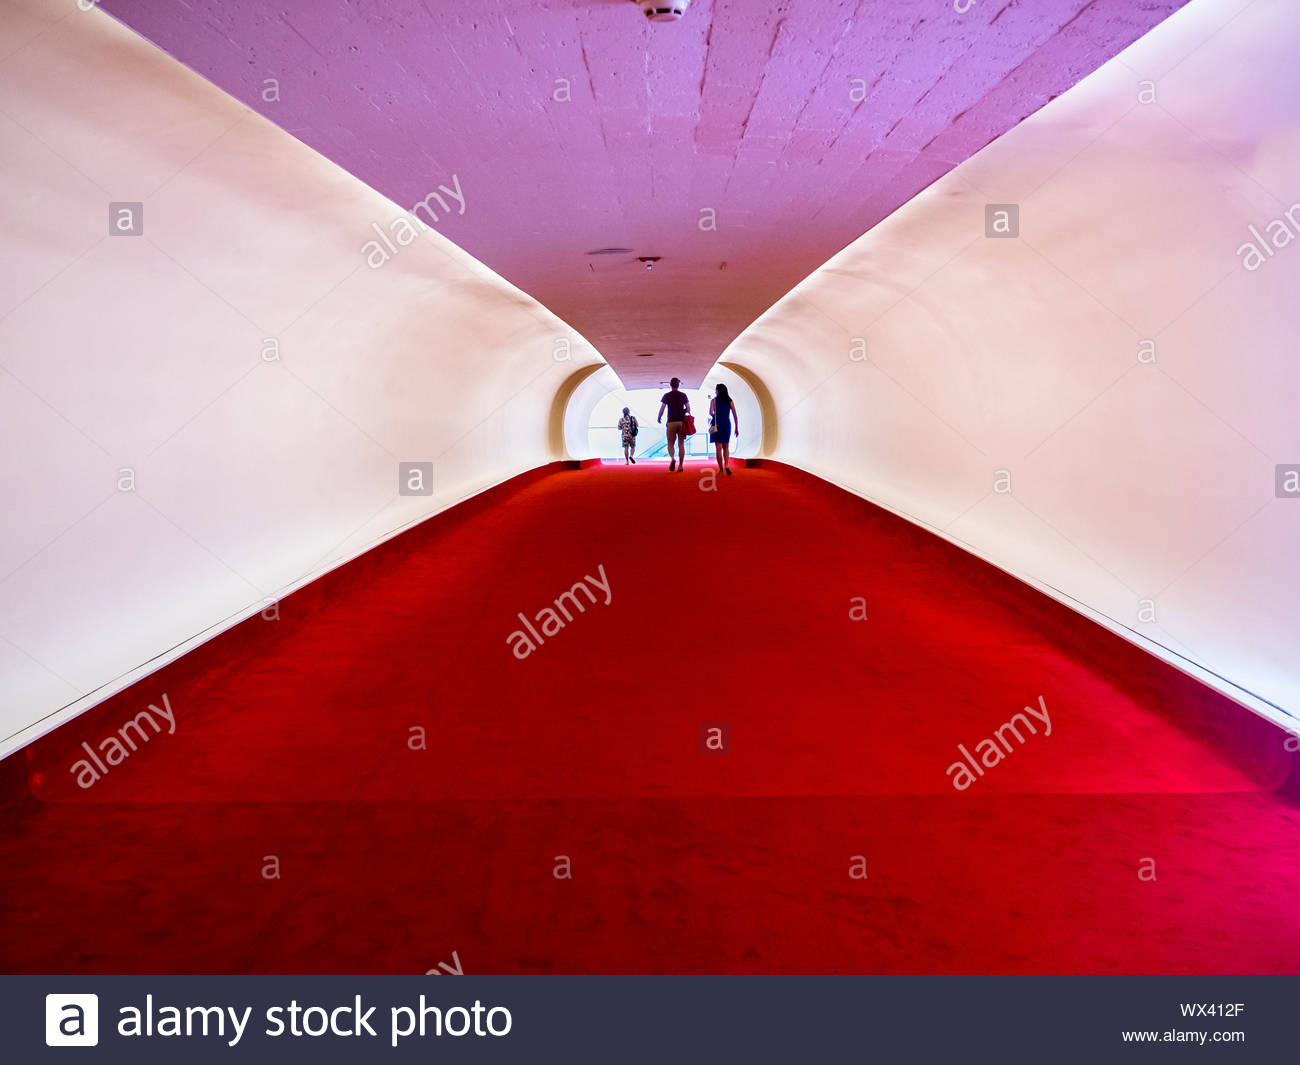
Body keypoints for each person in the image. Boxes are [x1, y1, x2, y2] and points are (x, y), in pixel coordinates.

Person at [657, 377, 690, 472]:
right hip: (681, 422)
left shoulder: (666, 396)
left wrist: (659, 417)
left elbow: (662, 409)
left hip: (671, 422)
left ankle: (672, 459)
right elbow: (688, 409)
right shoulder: (683, 395)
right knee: (681, 444)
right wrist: (682, 412)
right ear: (678, 385)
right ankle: (680, 466)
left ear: (670, 385)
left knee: (670, 444)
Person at [708, 383, 739, 475]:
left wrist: (715, 415)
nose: (715, 391)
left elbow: (710, 412)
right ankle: (726, 465)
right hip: (726, 425)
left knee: (718, 448)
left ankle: (721, 470)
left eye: (716, 389)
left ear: (718, 391)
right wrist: (736, 428)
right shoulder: (730, 401)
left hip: (717, 425)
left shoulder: (713, 401)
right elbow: (735, 416)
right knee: (726, 447)